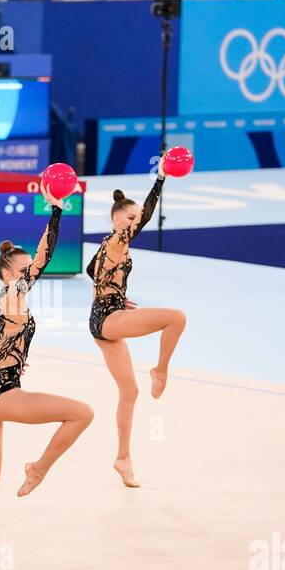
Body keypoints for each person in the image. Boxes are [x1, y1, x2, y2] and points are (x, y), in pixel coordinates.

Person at [0, 195, 93, 570]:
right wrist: (57, 209)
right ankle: (39, 468)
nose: (32, 267)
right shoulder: (16, 292)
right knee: (81, 412)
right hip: (2, 395)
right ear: (10, 272)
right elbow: (45, 256)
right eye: (25, 265)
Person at [87, 170, 187, 489]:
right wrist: (159, 181)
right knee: (176, 318)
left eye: (136, 217)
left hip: (105, 316)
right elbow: (141, 220)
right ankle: (160, 370)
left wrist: (114, 293)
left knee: (129, 392)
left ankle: (123, 457)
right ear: (117, 220)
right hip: (107, 319)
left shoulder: (112, 243)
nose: (136, 221)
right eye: (130, 217)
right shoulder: (117, 240)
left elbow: (92, 269)